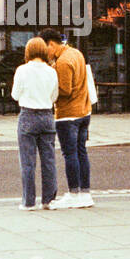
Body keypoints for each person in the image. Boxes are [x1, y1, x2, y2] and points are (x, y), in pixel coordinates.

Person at [40, 29, 93, 209]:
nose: (45, 54)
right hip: (84, 111)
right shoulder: (76, 53)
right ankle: (85, 193)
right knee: (81, 152)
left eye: (44, 49)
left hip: (68, 114)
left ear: (51, 45)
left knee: (69, 154)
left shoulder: (62, 62)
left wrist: (48, 92)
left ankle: (73, 193)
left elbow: (64, 90)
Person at [11, 37, 59, 211]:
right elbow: (54, 96)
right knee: (49, 160)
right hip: (47, 115)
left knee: (28, 161)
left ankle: (29, 201)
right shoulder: (51, 71)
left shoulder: (22, 70)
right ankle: (49, 200)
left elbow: (15, 95)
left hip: (28, 114)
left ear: (28, 51)